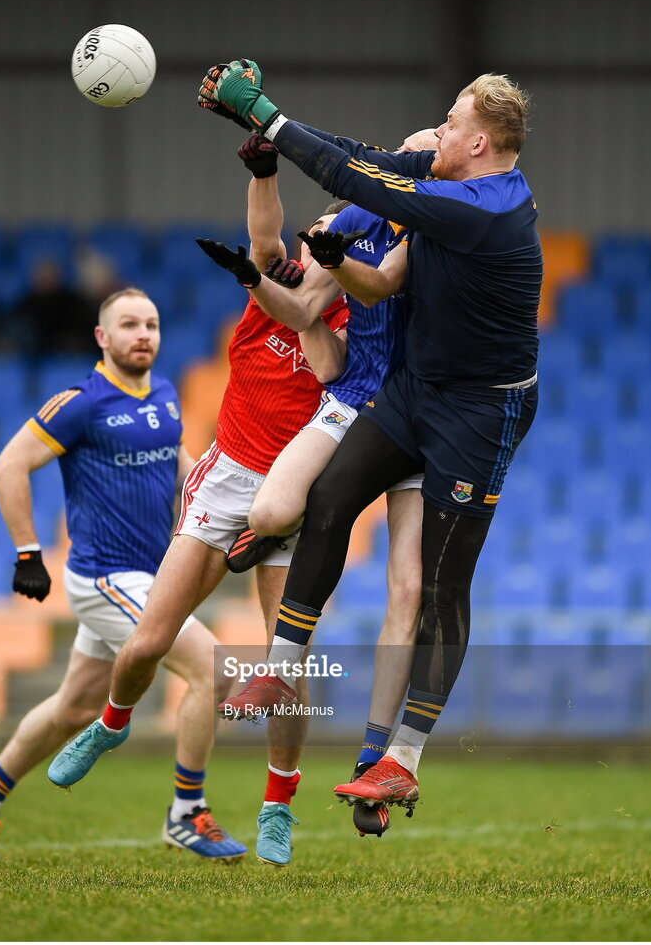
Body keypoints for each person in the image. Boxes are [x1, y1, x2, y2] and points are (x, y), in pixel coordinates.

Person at [203, 62, 541, 817]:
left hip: (481, 414)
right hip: (415, 388)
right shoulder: (447, 177)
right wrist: (266, 134)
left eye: (452, 123)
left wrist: (268, 110)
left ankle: (402, 761)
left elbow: (362, 185)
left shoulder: (481, 208)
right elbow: (362, 164)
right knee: (328, 497)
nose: (442, 130)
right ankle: (280, 670)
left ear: (479, 143)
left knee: (440, 587)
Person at [46, 145, 349, 867]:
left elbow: (334, 366)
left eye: (331, 242)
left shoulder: (355, 323)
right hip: (226, 483)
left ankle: (278, 804)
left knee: (288, 666)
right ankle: (112, 724)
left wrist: (317, 302)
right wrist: (264, 171)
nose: (314, 246)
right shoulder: (269, 282)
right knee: (149, 640)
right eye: (316, 236)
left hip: (294, 497)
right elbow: (265, 238)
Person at [0, 287, 246, 862]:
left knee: (74, 708)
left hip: (146, 577)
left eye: (151, 324)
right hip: (106, 578)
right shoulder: (80, 402)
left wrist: (215, 504)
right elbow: (8, 465)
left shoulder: (163, 390)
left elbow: (176, 461)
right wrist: (28, 552)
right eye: (128, 325)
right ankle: (186, 812)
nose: (143, 335)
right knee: (212, 670)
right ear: (102, 338)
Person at [200, 133, 425, 837]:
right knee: (272, 509)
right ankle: (274, 626)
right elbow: (296, 297)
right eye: (401, 154)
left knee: (409, 591)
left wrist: (328, 262)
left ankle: (375, 770)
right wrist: (257, 274)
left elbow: (383, 283)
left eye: (417, 154)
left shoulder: (440, 225)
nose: (407, 161)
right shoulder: (357, 219)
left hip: (426, 411)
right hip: (358, 398)